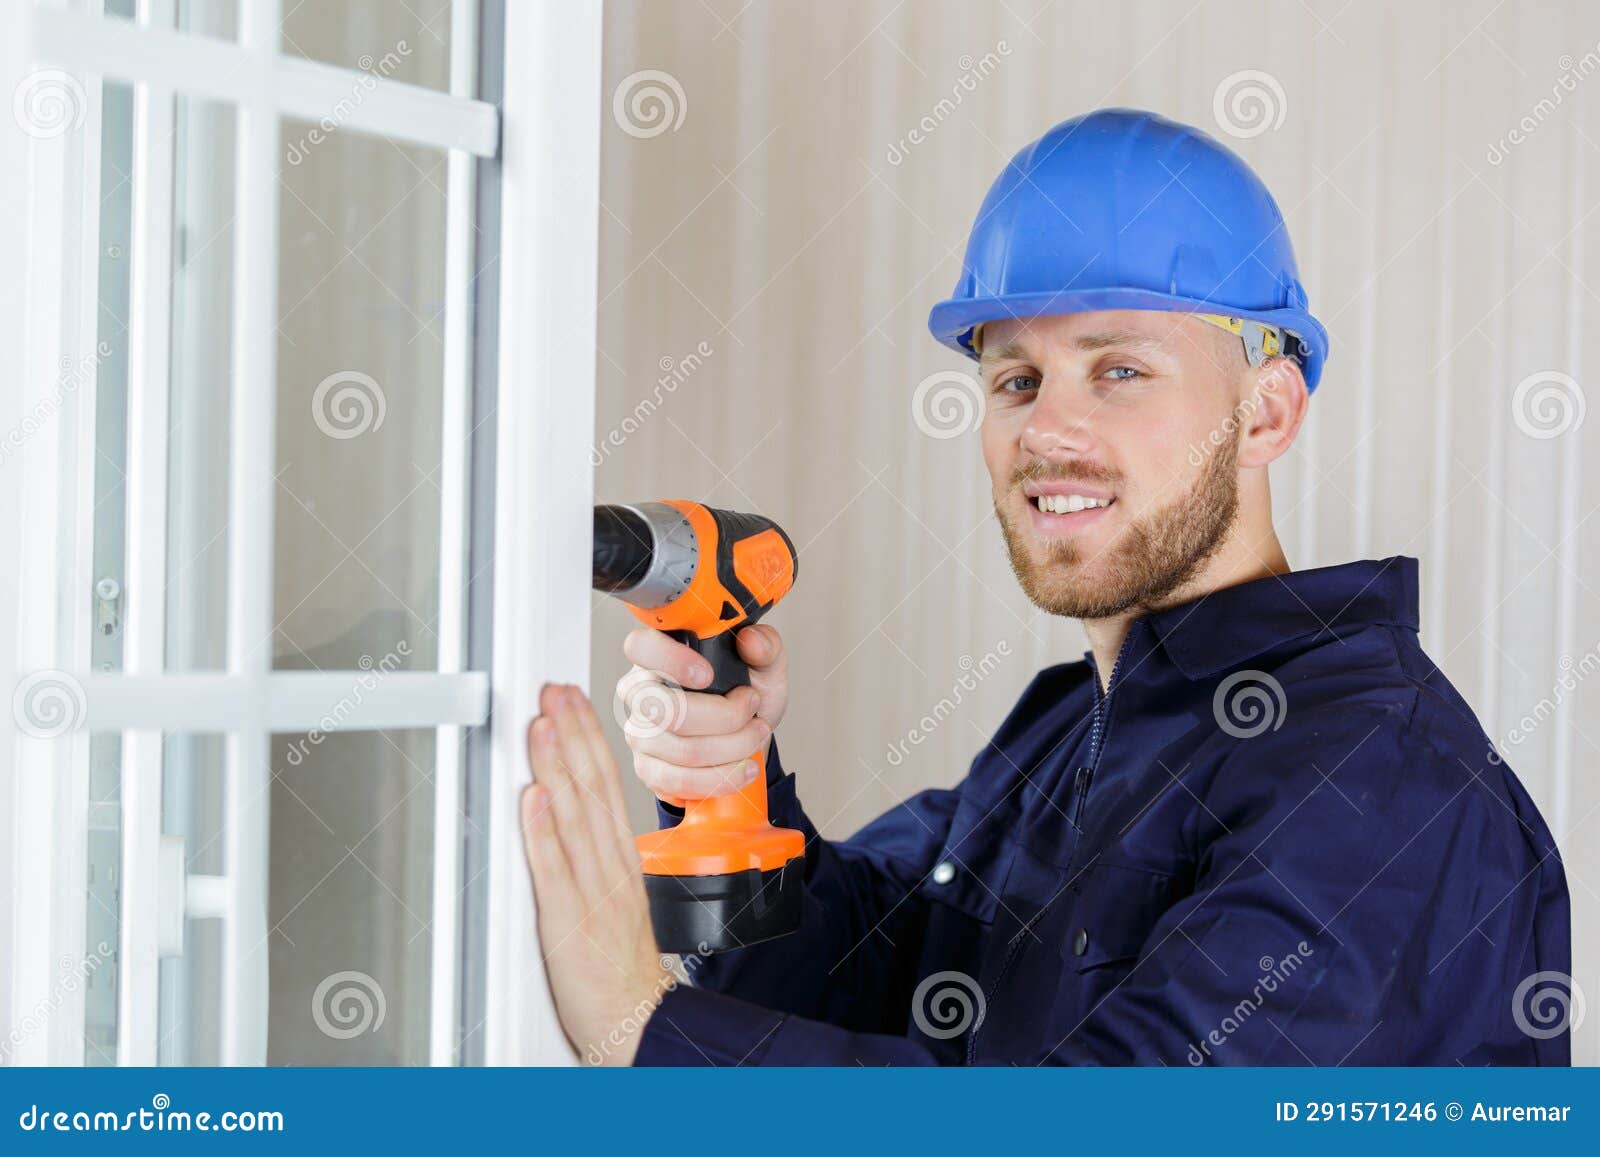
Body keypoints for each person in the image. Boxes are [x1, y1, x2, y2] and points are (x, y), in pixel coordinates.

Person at [520, 108, 1571, 1066]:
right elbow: (871, 969)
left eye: (1117, 369)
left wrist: (639, 1027)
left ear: (1265, 413)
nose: (1046, 432)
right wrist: (735, 796)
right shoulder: (1076, 731)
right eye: (1015, 379)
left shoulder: (1379, 786)